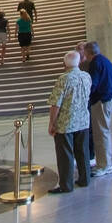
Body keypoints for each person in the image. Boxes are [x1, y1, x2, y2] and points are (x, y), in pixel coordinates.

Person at [47, 51, 92, 194]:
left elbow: (55, 104)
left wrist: (52, 123)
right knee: (83, 151)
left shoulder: (63, 79)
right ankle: (85, 179)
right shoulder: (86, 76)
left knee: (65, 154)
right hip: (83, 120)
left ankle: (66, 184)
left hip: (66, 123)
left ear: (64, 63)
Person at [84, 41, 112, 176]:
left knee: (100, 133)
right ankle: (106, 163)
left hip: (101, 100)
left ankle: (105, 165)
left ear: (88, 52)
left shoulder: (95, 63)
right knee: (104, 132)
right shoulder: (105, 60)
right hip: (109, 98)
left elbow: (94, 84)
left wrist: (86, 96)